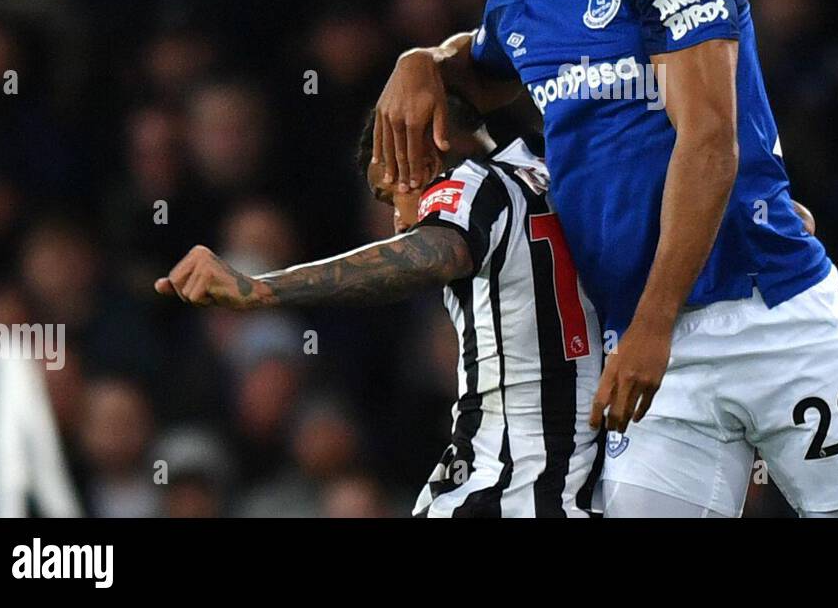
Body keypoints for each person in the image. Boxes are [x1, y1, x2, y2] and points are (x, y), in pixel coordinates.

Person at [371, 0, 838, 517]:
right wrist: (419, 60)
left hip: (772, 316)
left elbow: (710, 139)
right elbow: (470, 65)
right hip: (655, 359)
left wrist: (651, 326)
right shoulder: (513, 15)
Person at [156, 93, 603, 517]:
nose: (398, 221)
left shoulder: (468, 187)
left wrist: (260, 288)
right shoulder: (551, 165)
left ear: (424, 154)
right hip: (582, 475)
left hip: (510, 485)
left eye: (391, 192)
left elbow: (425, 256)